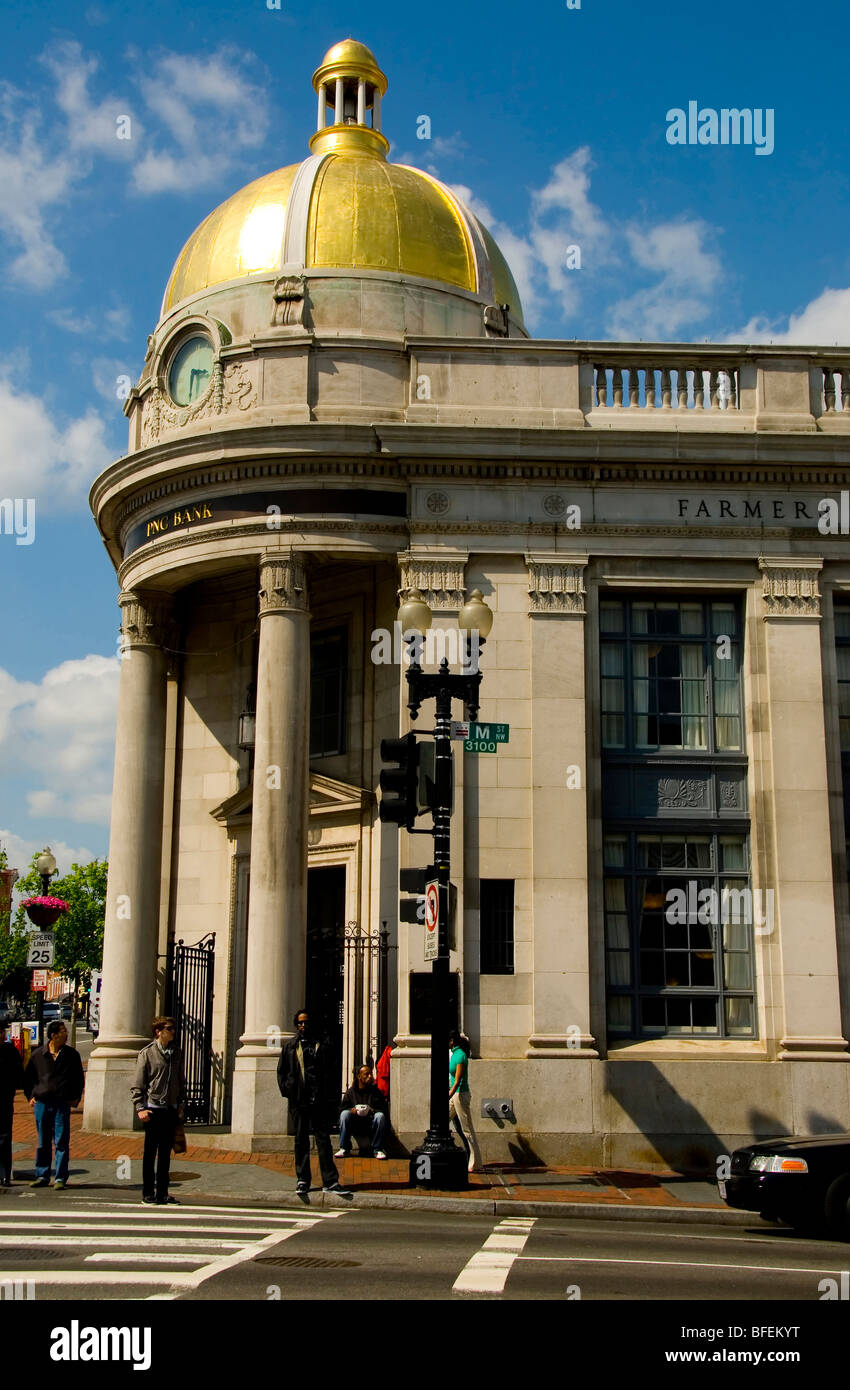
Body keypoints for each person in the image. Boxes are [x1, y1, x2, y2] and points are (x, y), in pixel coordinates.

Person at [277, 1009, 350, 1196]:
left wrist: (329, 1094)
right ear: (296, 1025)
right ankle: (303, 1179)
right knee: (300, 1141)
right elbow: (282, 1072)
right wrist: (289, 1090)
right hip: (299, 1101)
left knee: (323, 1141)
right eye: (300, 1023)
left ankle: (330, 1180)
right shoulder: (290, 1047)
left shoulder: (323, 1045)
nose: (303, 1026)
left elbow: (333, 1070)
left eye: (306, 1022)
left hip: (319, 1100)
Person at [131, 1017, 186, 1206]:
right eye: (169, 1028)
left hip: (170, 1109)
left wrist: (180, 1104)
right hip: (153, 1109)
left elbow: (180, 1080)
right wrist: (140, 1108)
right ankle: (148, 1192)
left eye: (173, 1028)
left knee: (165, 1153)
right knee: (150, 1153)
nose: (173, 1031)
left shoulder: (176, 1053)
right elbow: (138, 1084)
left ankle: (163, 1192)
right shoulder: (147, 1054)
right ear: (159, 1031)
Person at [23, 1020, 85, 1189]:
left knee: (61, 1141)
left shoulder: (71, 1055)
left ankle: (60, 1178)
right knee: (43, 1141)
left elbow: (78, 1079)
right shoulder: (38, 1055)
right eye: (63, 1032)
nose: (66, 1034)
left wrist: (75, 1097)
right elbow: (28, 1079)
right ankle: (42, 1175)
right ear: (53, 1036)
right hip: (42, 1102)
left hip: (61, 1103)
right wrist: (30, 1096)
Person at [448, 1028, 483, 1174]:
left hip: (460, 1094)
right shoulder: (455, 1054)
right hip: (454, 1094)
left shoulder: (460, 1056)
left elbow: (458, 1080)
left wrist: (449, 1094)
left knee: (467, 1128)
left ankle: (475, 1161)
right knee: (441, 1123)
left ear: (452, 1041)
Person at [335, 1064, 388, 1158]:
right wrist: (351, 1110)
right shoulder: (351, 1092)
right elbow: (342, 1109)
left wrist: (372, 1110)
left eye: (370, 1074)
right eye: (366, 1074)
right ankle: (344, 1148)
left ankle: (378, 1149)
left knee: (380, 1116)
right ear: (359, 1077)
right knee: (344, 1114)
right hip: (355, 1124)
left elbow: (383, 1109)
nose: (370, 1077)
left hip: (370, 1124)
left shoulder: (375, 1092)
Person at [0, 1026, 24, 1186]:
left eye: (2, 1031)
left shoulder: (10, 1051)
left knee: (4, 1137)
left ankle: (4, 1174)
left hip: (4, 1099)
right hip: (5, 1097)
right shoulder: (10, 1051)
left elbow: (19, 1075)